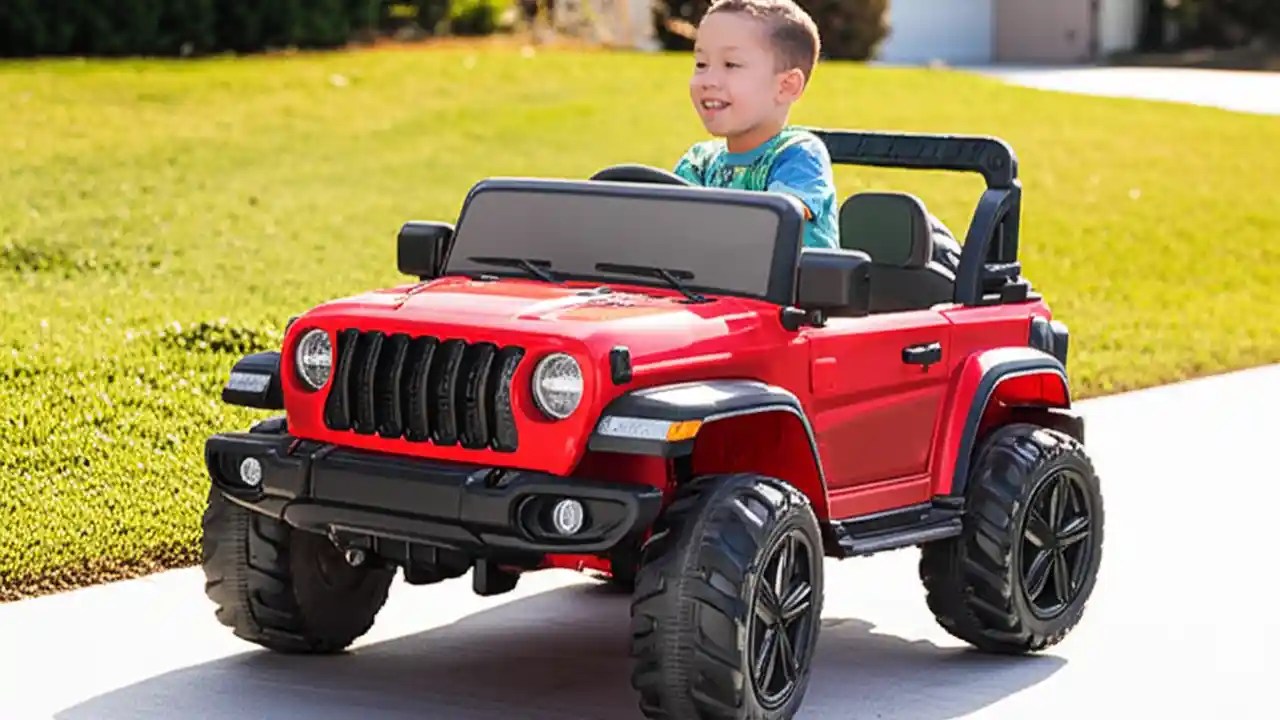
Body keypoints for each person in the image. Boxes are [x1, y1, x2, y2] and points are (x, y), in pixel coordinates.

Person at [673, 0, 839, 250]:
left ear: (786, 86)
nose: (708, 80)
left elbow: (774, 222)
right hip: (705, 287)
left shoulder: (797, 155)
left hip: (792, 287)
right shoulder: (700, 162)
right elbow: (667, 223)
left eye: (731, 65)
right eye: (701, 64)